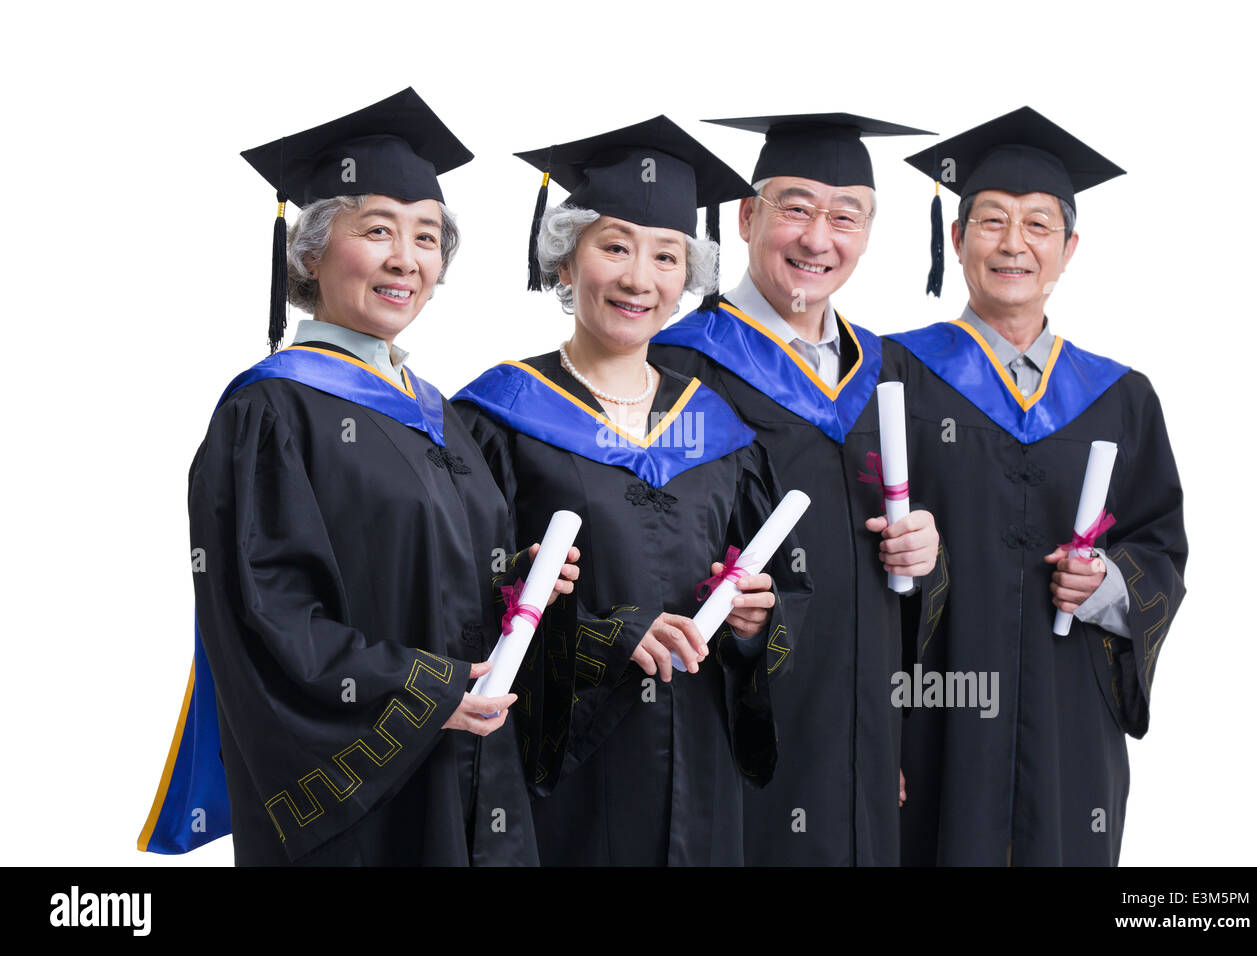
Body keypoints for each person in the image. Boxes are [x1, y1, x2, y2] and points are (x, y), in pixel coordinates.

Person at [137, 88, 576, 865]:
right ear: (310, 251)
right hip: (363, 806)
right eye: (378, 230)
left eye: (428, 237)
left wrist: (522, 579)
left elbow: (431, 578)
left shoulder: (440, 414)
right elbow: (269, 622)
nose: (407, 258)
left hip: (477, 772)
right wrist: (429, 689)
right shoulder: (272, 413)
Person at [454, 116, 812, 865]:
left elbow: (790, 603)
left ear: (689, 279)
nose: (638, 278)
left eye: (666, 256)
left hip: (706, 775)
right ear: (563, 261)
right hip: (564, 780)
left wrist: (752, 623)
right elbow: (456, 598)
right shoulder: (495, 418)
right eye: (614, 246)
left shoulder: (722, 432)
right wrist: (597, 636)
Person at [891, 106, 1187, 865]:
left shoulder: (1120, 397)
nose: (1012, 244)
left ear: (1069, 250)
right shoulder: (889, 376)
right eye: (990, 221)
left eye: (1037, 225)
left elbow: (1159, 544)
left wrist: (1111, 586)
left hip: (1069, 720)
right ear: (955, 240)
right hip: (931, 714)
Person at [651, 113, 945, 866]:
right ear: (747, 217)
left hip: (865, 731)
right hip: (738, 719)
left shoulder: (889, 371)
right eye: (797, 208)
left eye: (845, 216)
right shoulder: (677, 366)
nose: (820, 239)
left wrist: (929, 551)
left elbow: (922, 582)